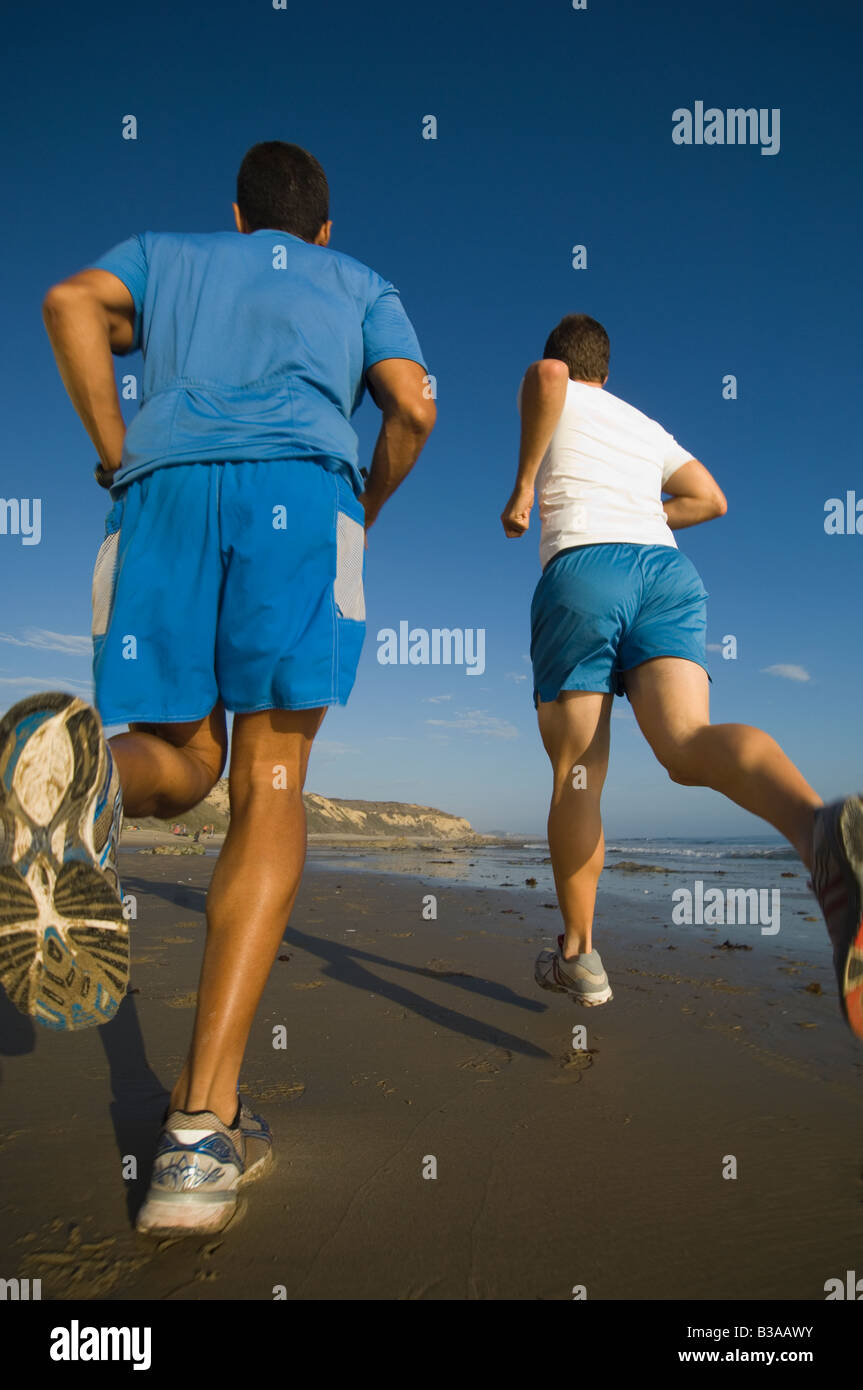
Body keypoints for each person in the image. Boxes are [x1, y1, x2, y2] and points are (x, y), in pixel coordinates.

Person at [0, 140, 435, 1235]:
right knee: (267, 781)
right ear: (321, 229)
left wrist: (117, 450)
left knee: (180, 757)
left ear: (237, 217)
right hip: (301, 492)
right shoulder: (360, 282)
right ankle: (198, 1134)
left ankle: (80, 777)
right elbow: (413, 409)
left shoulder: (170, 256)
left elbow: (65, 303)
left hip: (161, 498)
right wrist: (362, 505)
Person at [500, 313, 862, 1037]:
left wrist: (523, 486)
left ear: (568, 365)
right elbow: (711, 500)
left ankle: (578, 951)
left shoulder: (554, 384)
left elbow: (545, 379)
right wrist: (642, 511)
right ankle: (817, 826)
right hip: (667, 573)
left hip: (583, 567)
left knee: (578, 770)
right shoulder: (644, 424)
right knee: (686, 740)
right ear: (608, 368)